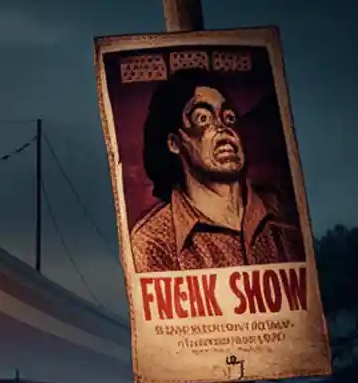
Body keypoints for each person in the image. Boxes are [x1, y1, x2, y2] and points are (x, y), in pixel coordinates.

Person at [130, 68, 305, 273]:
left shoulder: (283, 218)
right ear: (175, 143)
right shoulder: (155, 241)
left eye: (228, 117)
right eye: (203, 119)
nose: (222, 128)